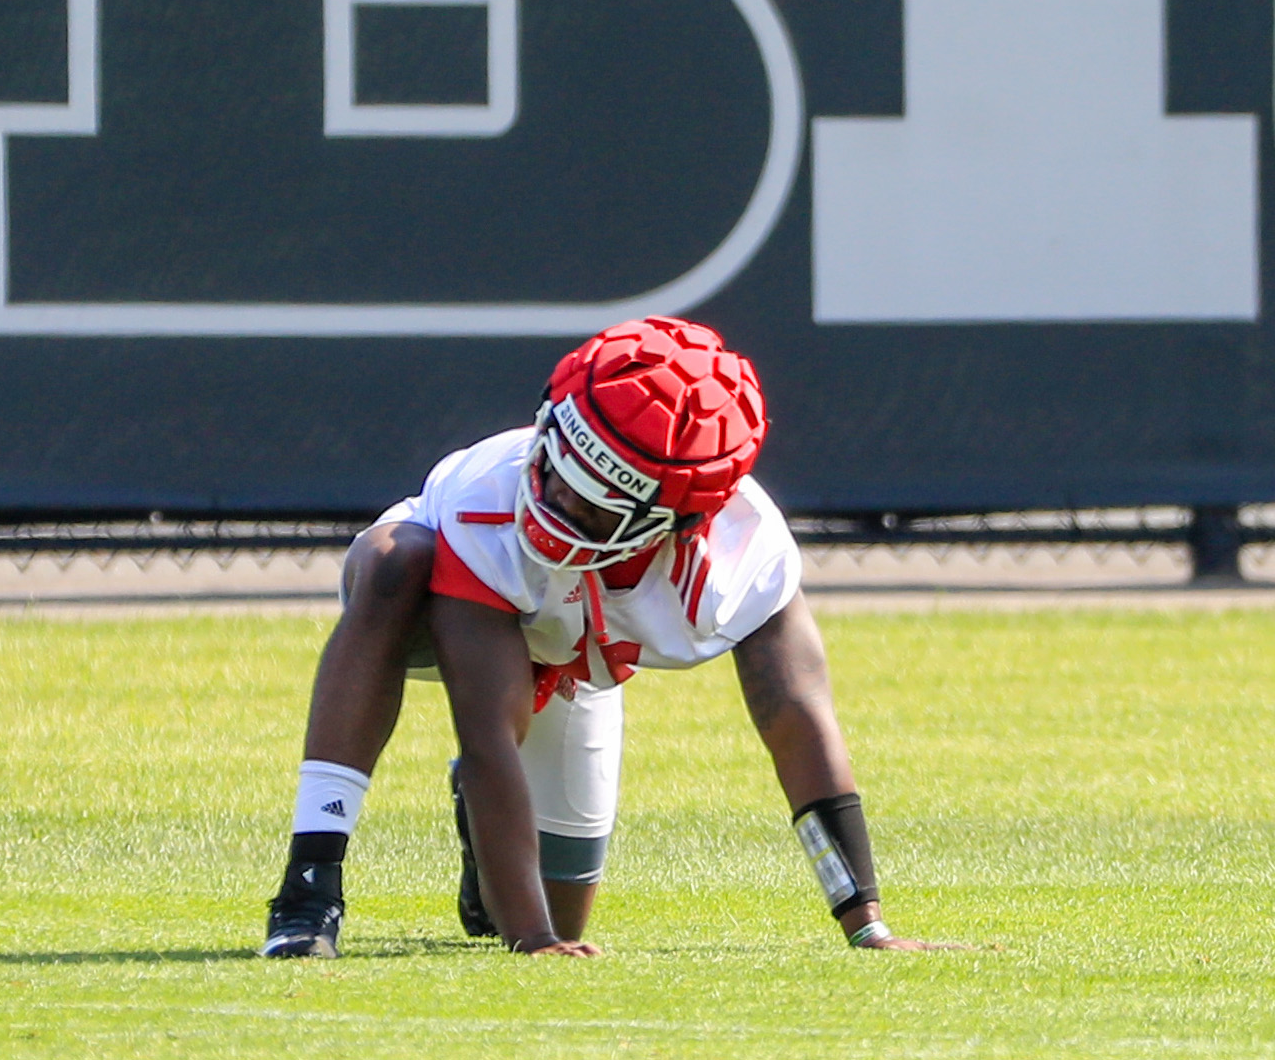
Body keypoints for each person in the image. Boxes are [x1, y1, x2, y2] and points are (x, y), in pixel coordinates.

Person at [259, 316, 935, 957]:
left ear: (680, 524)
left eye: (591, 503)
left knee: (548, 911)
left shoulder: (742, 558)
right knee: (392, 562)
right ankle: (309, 888)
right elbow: (488, 733)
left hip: (578, 667)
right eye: (554, 465)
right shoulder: (487, 505)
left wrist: (864, 924)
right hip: (447, 619)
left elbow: (798, 724)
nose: (551, 499)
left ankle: (482, 833)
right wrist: (534, 943)